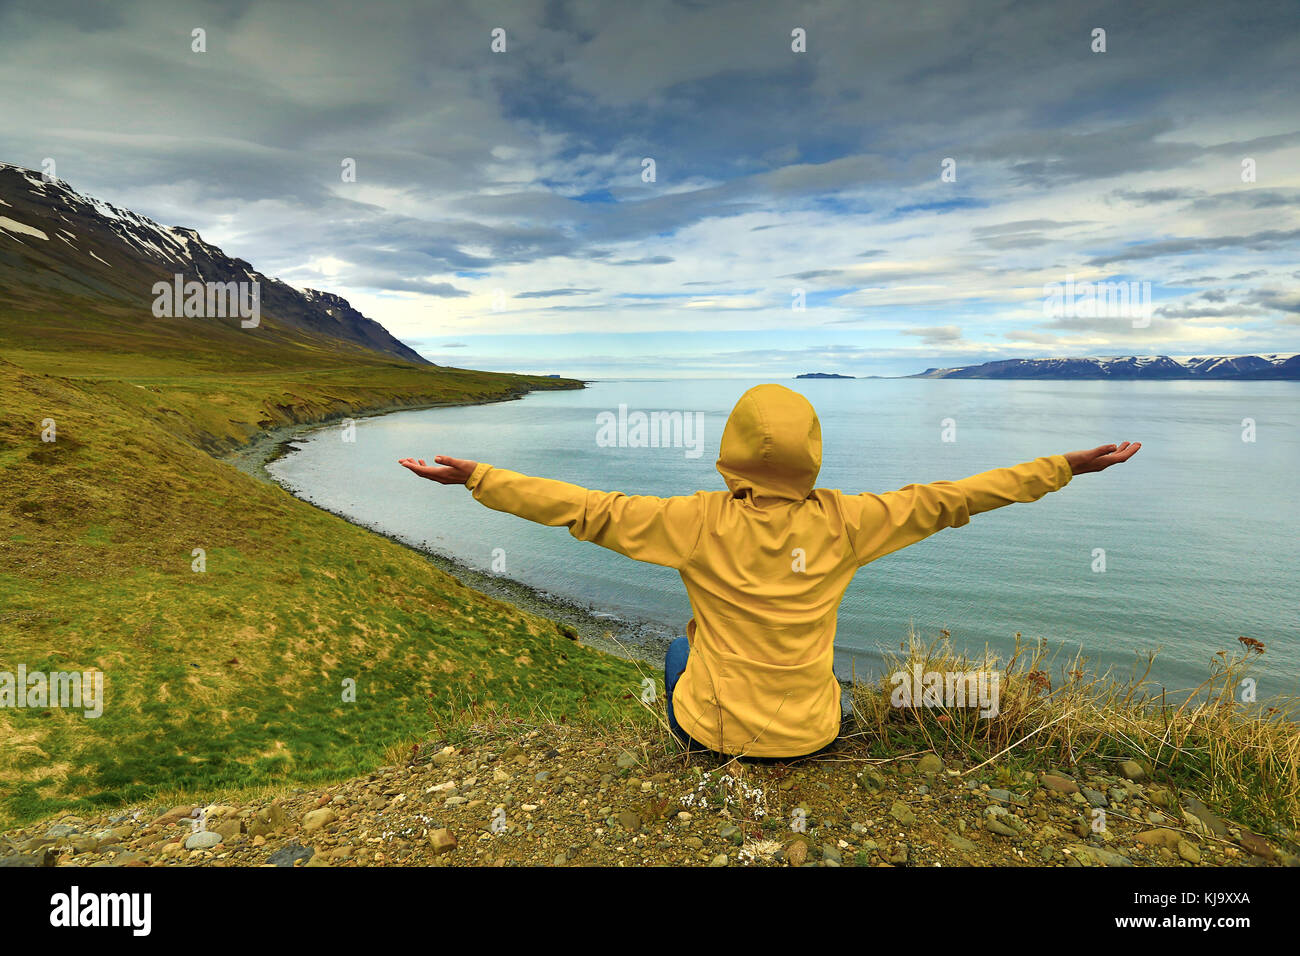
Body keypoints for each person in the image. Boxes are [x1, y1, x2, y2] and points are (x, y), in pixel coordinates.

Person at [400, 383, 1140, 760]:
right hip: (814, 734)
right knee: (830, 679)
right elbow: (955, 499)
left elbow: (585, 509)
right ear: (811, 450)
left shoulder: (692, 522)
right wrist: (1064, 466)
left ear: (732, 448)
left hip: (712, 733)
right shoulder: (852, 521)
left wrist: (478, 477)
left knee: (679, 650)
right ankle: (803, 722)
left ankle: (712, 738)